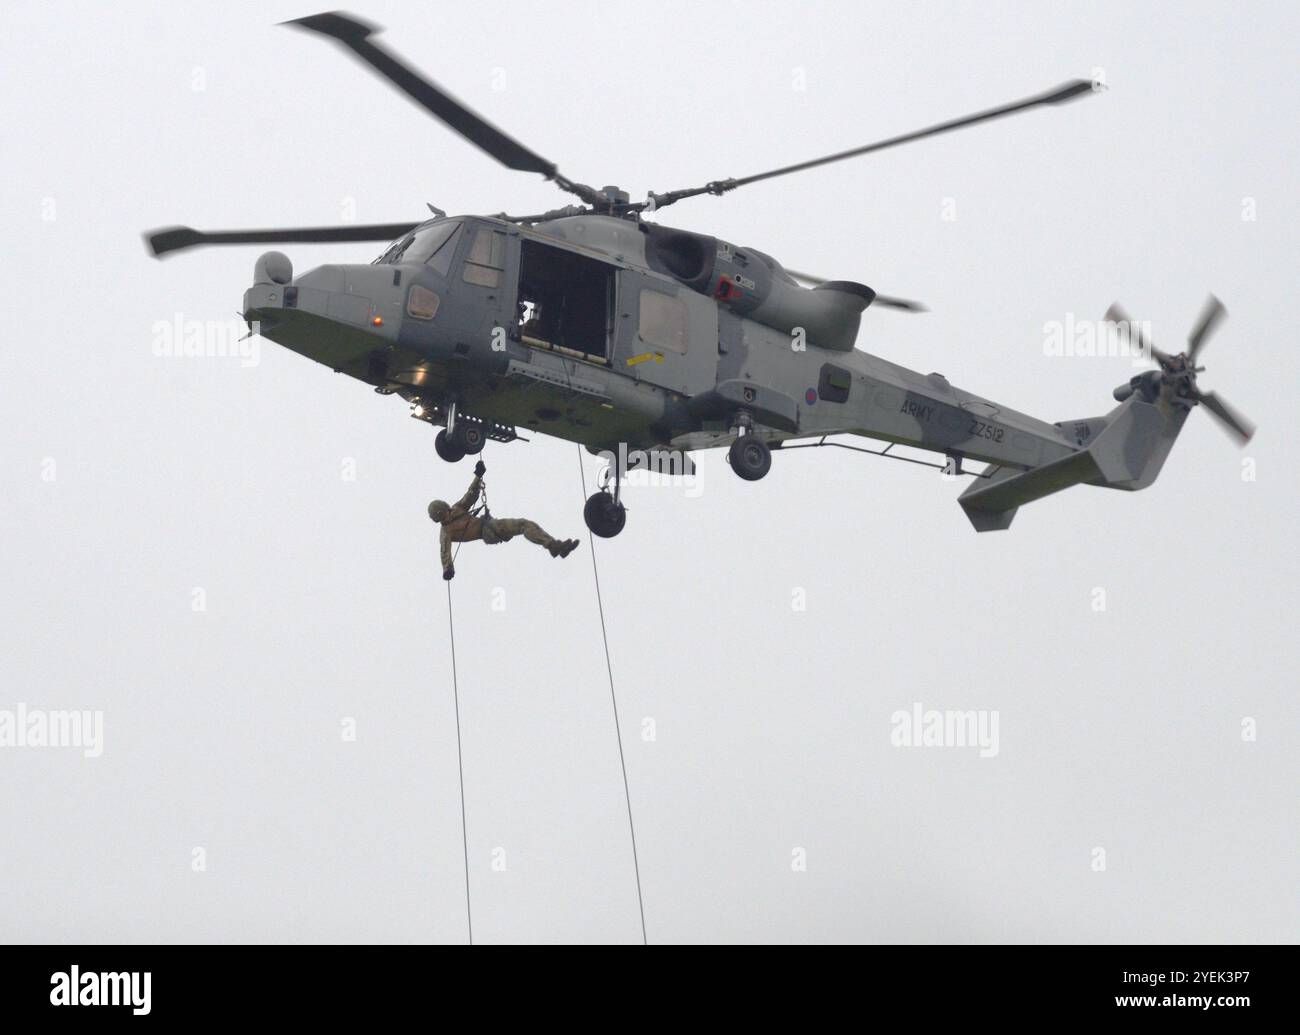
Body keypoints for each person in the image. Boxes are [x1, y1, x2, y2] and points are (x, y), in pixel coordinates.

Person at [428, 460, 579, 580]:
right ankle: (553, 546)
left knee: (525, 524)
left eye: (448, 510)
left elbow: (470, 495)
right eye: (446, 513)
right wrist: (448, 569)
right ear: (440, 518)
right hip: (488, 530)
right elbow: (444, 552)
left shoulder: (456, 509)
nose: (449, 513)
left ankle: (554, 546)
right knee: (522, 525)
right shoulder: (446, 532)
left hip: (490, 524)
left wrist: (478, 475)